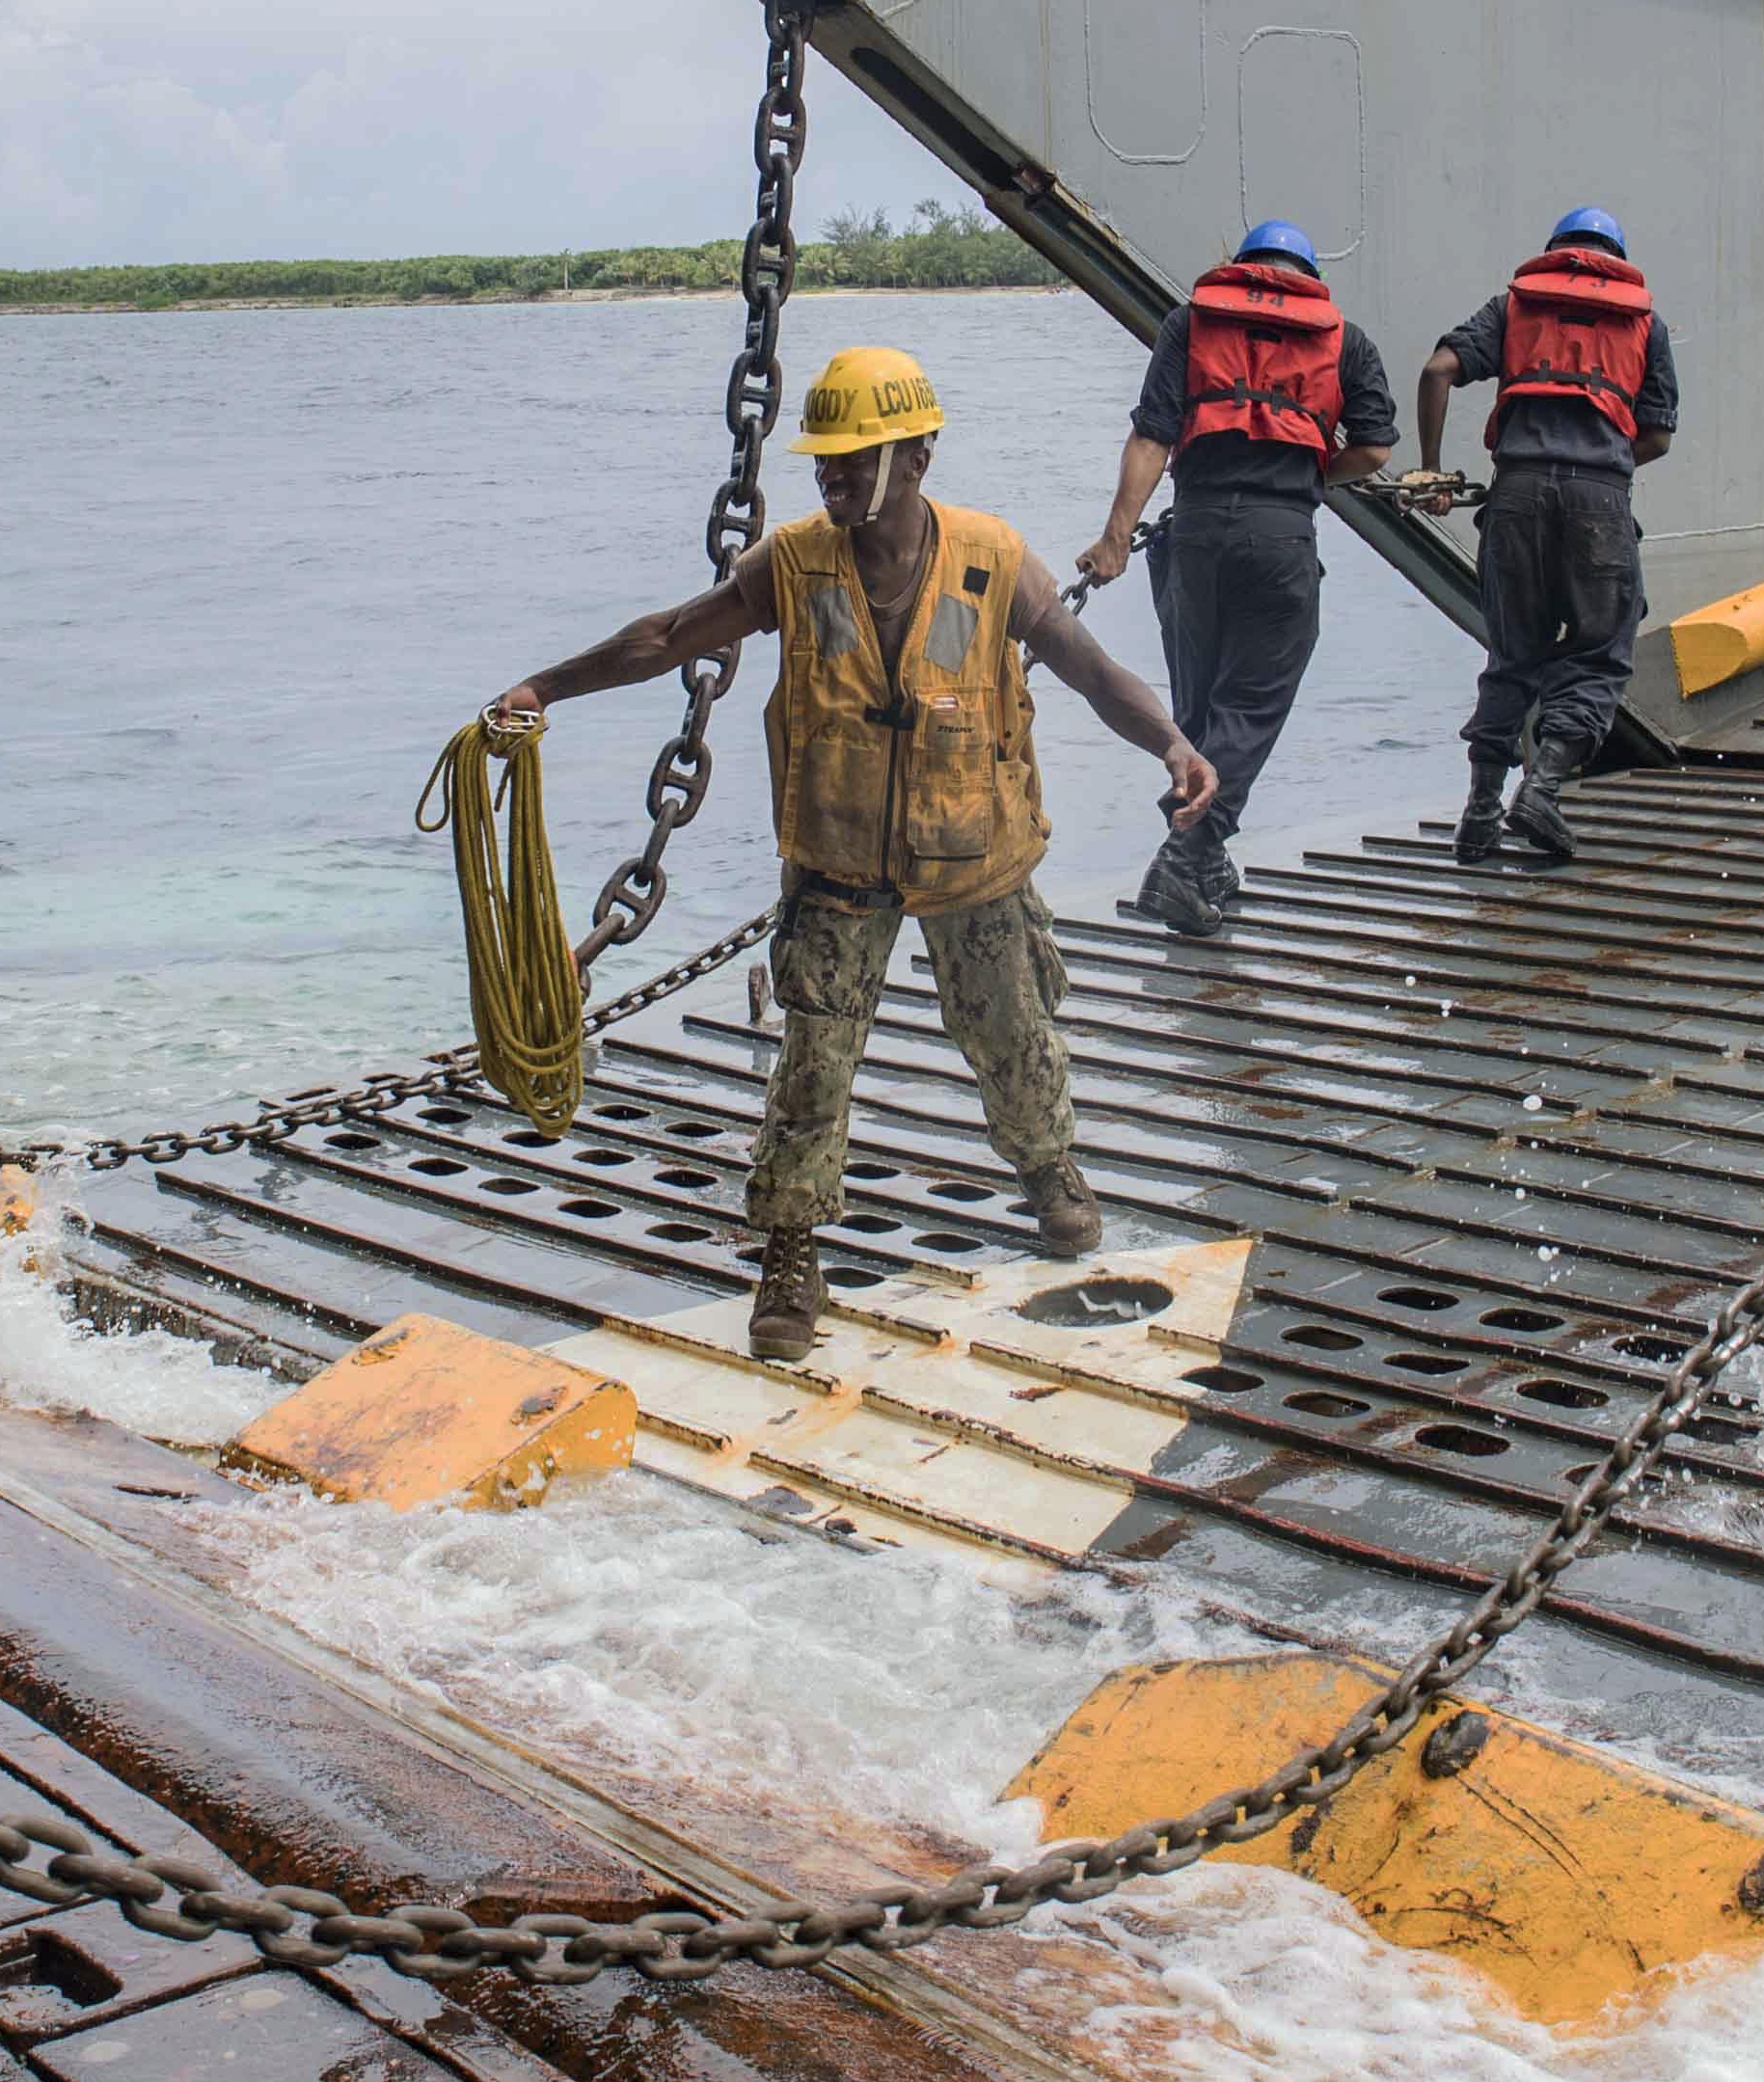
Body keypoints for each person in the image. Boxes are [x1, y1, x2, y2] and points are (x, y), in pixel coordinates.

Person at [485, 346, 1214, 1365]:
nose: (830, 475)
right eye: (824, 460)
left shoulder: (993, 559)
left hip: (976, 854)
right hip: (837, 862)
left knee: (1015, 1035)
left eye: (852, 459)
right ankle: (791, 1251)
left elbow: (1093, 672)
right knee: (813, 1068)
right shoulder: (792, 564)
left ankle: (1049, 1169)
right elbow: (670, 636)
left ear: (913, 460)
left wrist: (1174, 745)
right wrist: (545, 687)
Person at [1073, 220, 1393, 937]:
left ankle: (1204, 858)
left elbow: (1152, 435)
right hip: (1281, 535)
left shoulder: (1189, 324)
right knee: (1248, 706)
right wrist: (1309, 476)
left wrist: (1115, 538)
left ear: (1239, 268)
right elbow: (1373, 450)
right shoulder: (1346, 341)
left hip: (1195, 531)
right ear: (1310, 280)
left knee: (1200, 704)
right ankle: (1184, 859)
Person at [1415, 207, 1679, 867]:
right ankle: (1543, 788)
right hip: (1600, 501)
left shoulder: (1515, 306)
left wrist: (1432, 469)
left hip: (1517, 494)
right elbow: (1658, 435)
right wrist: (1602, 469)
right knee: (1601, 652)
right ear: (1618, 260)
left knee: (1512, 655)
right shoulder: (1644, 323)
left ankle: (1479, 814)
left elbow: (1438, 369)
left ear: (1555, 252)